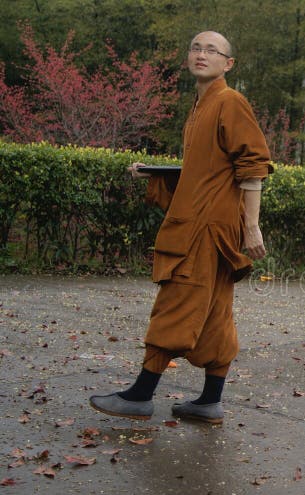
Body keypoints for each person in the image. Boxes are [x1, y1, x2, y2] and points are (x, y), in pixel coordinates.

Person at [90, 30, 273, 424]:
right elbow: (206, 172)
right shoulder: (201, 105)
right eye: (195, 48)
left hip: (207, 232)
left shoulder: (230, 101)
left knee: (176, 303)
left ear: (229, 63)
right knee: (215, 313)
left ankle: (140, 395)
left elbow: (253, 167)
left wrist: (252, 227)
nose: (201, 54)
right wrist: (155, 173)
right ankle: (209, 401)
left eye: (212, 50)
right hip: (207, 227)